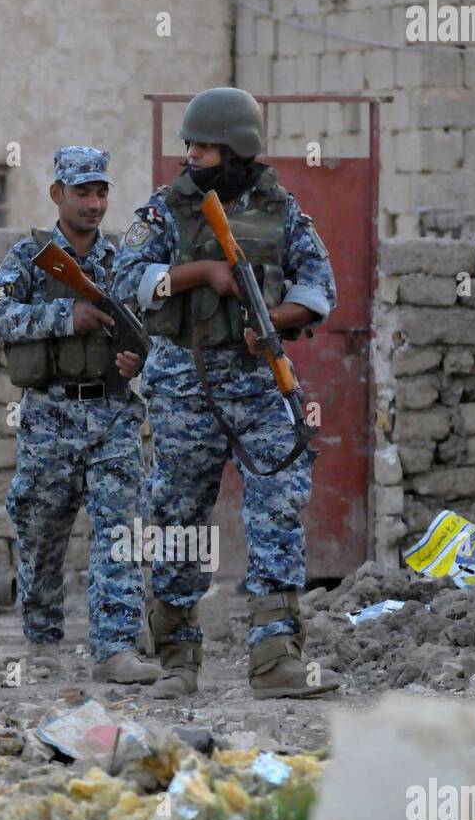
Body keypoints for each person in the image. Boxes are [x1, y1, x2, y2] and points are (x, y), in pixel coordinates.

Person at [112, 87, 338, 699]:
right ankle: (178, 658)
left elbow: (320, 286)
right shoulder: (166, 210)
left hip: (259, 382)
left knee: (279, 508)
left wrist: (275, 321)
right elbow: (125, 278)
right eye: (189, 144)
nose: (193, 155)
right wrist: (200, 274)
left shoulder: (280, 208)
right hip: (183, 383)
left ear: (238, 149)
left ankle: (275, 659)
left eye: (206, 147)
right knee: (178, 515)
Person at [0, 145, 158, 685]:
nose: (94, 202)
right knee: (41, 532)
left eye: (102, 191)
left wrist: (135, 360)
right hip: (51, 418)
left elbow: (147, 336)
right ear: (57, 193)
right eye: (83, 191)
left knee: (120, 532)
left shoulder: (122, 259)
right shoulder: (29, 257)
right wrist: (66, 315)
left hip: (113, 414)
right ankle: (43, 640)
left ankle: (115, 647)